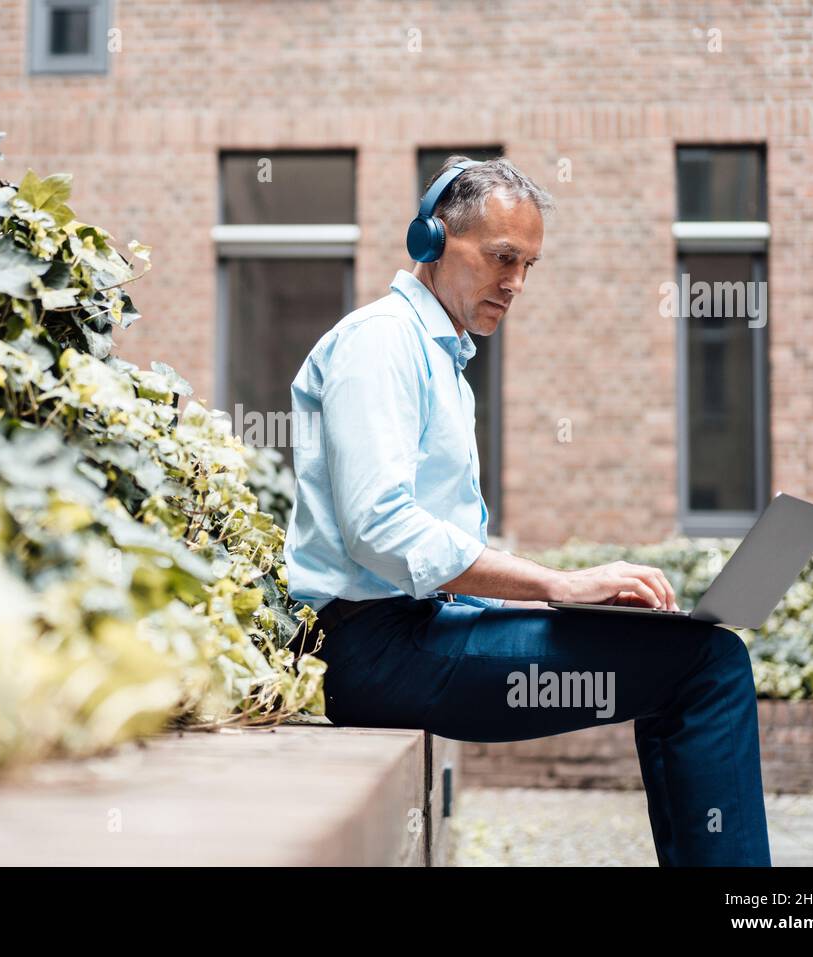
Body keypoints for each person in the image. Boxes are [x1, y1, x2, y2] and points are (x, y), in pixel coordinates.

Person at [283, 155, 772, 867]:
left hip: (416, 631)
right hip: (371, 651)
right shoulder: (381, 343)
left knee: (679, 658)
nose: (514, 283)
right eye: (502, 257)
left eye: (528, 266)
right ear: (431, 239)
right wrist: (558, 585)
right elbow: (379, 528)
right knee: (709, 665)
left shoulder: (439, 357)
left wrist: (581, 608)